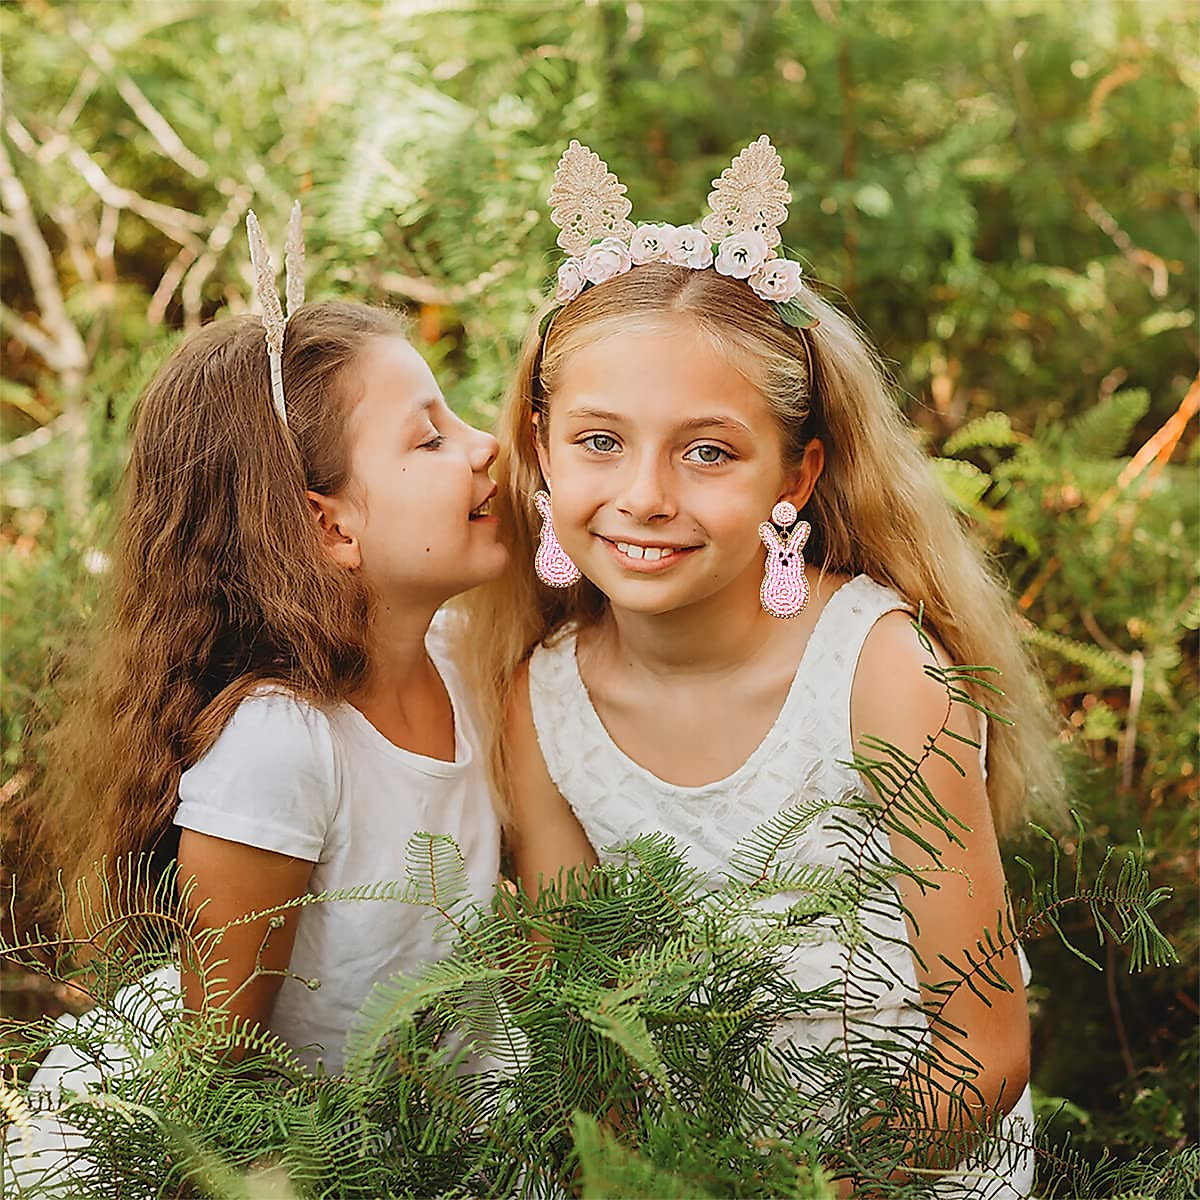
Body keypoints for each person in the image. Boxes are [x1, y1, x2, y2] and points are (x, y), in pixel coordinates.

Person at [464, 138, 1063, 1198]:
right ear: (541, 446)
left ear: (796, 473)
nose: (645, 497)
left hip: (902, 1161)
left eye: (708, 451)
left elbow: (985, 1050)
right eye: (600, 441)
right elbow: (588, 1031)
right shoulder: (542, 700)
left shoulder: (881, 673)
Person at [17, 208, 506, 1165]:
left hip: (446, 1122)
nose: (485, 443)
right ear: (331, 528)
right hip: (306, 1152)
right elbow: (223, 1073)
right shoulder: (282, 746)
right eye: (429, 439)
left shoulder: (464, 662)